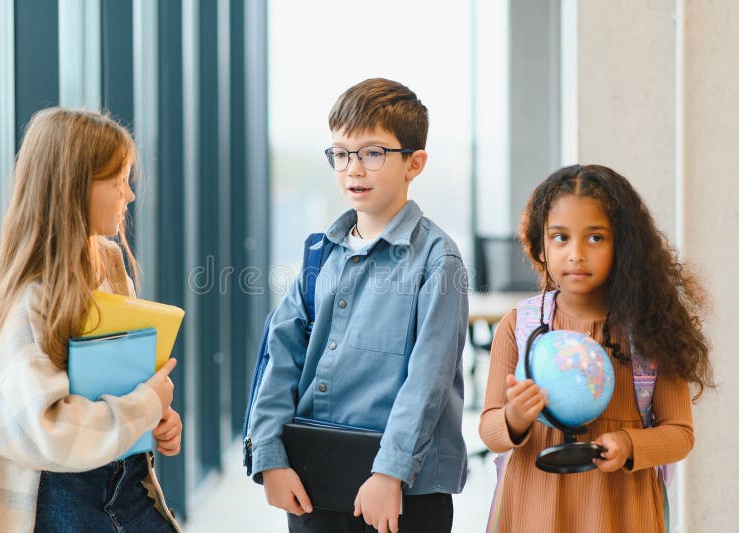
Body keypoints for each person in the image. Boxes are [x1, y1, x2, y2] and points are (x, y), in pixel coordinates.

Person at [0, 108, 183, 532]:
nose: (128, 195)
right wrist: (145, 405)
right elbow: (47, 431)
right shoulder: (22, 302)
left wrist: (156, 419)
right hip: (56, 511)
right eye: (117, 181)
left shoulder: (106, 265)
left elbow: (114, 391)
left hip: (127, 496)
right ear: (73, 188)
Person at [250, 78, 468, 533]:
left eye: (372, 153)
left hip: (404, 494)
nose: (354, 169)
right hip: (313, 484)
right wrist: (270, 456)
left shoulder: (438, 260)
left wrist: (389, 472)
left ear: (415, 163)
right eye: (342, 153)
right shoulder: (319, 253)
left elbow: (427, 380)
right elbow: (281, 358)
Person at [478, 164, 714, 532]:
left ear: (624, 244)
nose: (576, 254)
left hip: (620, 512)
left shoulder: (650, 329)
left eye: (595, 238)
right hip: (531, 510)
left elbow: (680, 434)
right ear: (540, 243)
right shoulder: (518, 326)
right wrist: (514, 417)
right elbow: (489, 429)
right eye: (560, 237)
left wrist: (628, 443)